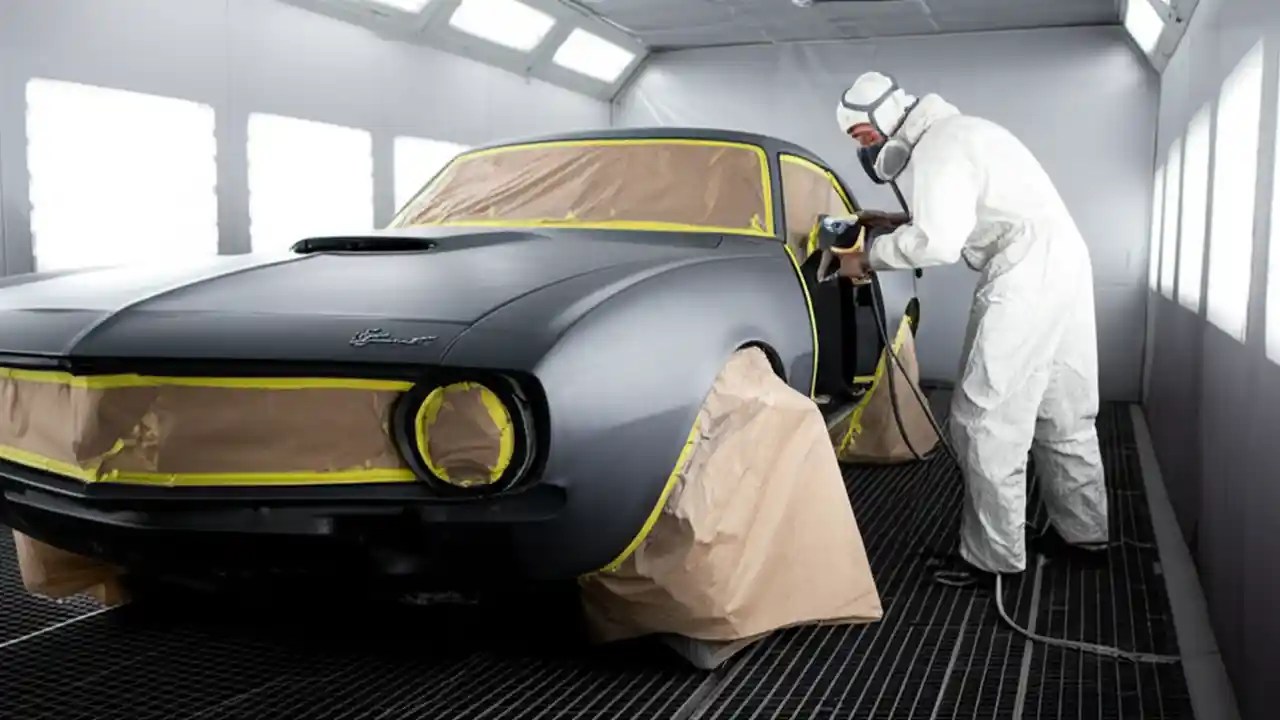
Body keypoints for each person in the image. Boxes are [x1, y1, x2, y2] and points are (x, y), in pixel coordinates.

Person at [832, 71, 1109, 586]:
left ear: (887, 119)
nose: (866, 150)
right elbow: (968, 213)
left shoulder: (940, 145)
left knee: (984, 416)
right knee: (1064, 408)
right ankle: (1083, 535)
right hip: (1063, 260)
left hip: (1024, 269)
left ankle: (993, 558)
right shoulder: (962, 133)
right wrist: (893, 220)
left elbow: (938, 242)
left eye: (864, 137)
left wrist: (866, 256)